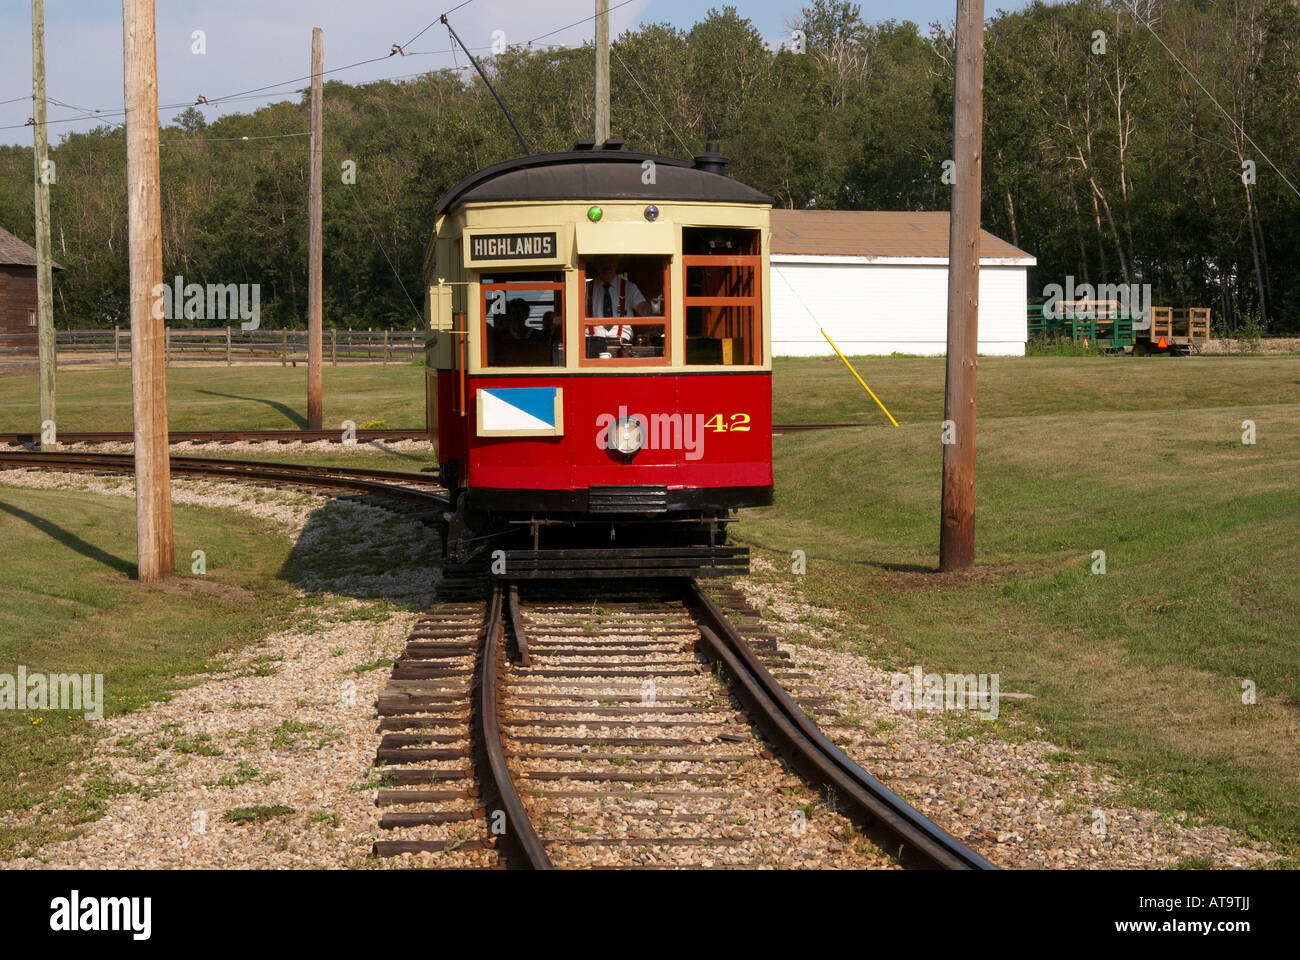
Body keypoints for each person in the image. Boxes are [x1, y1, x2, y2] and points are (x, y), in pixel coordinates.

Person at [585, 255, 651, 349]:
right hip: (592, 342)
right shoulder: (585, 289)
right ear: (595, 264)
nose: (606, 265)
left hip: (622, 342)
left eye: (610, 260)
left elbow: (644, 310)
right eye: (601, 261)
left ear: (617, 263)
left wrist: (656, 309)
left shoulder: (629, 288)